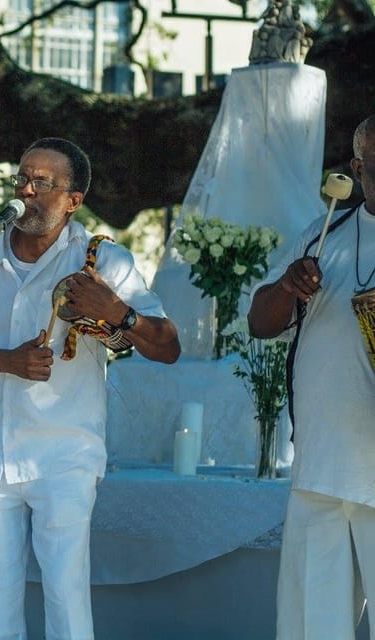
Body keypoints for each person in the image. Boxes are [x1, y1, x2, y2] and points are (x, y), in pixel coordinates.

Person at [0, 137, 180, 639]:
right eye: (22, 177)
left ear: (74, 198)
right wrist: (9, 361)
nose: (26, 190)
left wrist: (116, 311)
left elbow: (168, 346)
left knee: (66, 598)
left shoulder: (102, 261)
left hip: (64, 453)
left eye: (42, 183)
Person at [249, 114, 375, 640]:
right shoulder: (324, 233)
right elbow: (259, 322)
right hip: (321, 466)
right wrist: (288, 285)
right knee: (312, 627)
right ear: (358, 167)